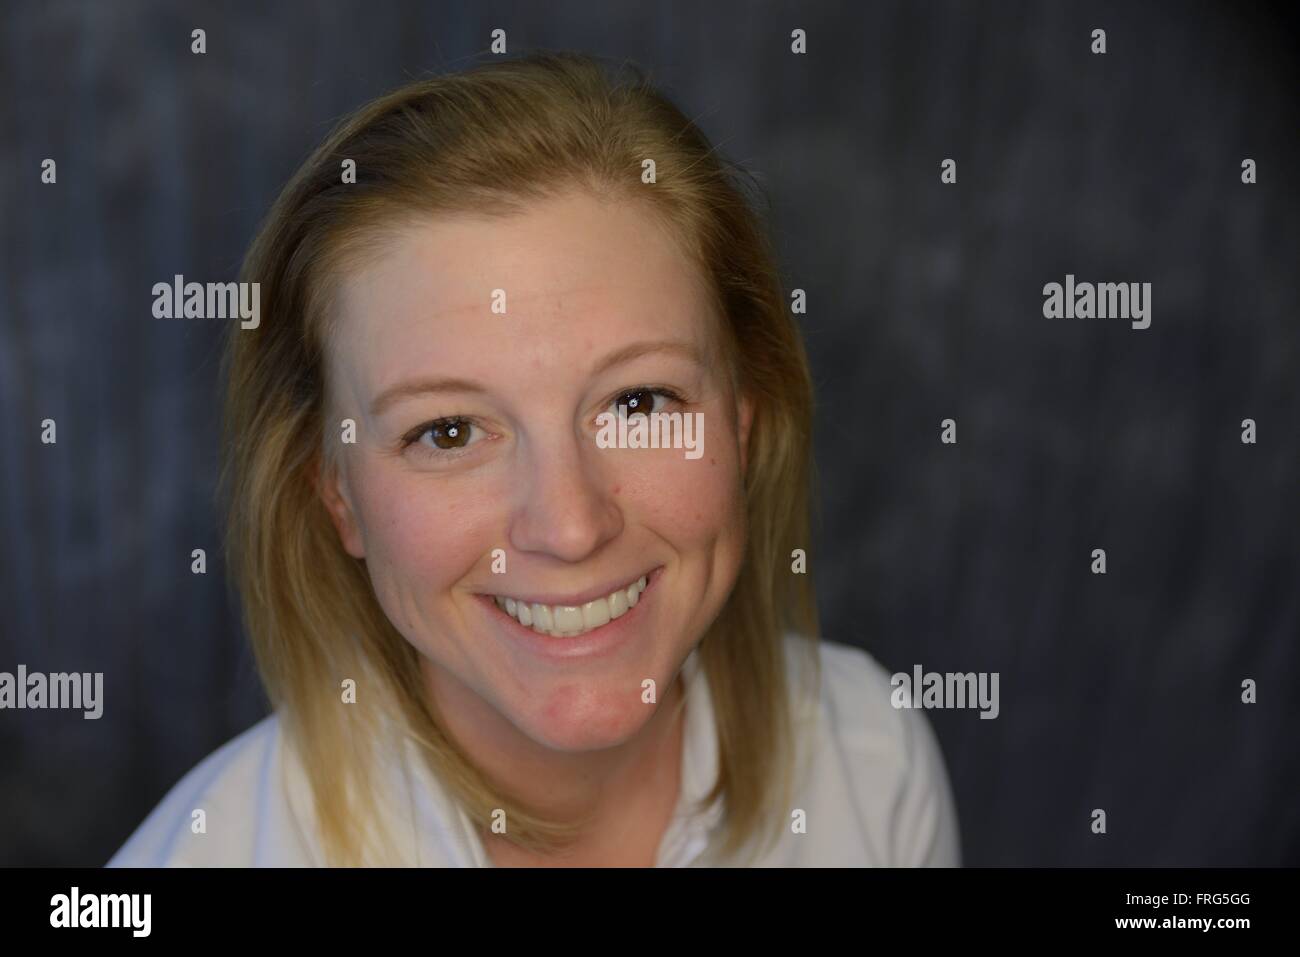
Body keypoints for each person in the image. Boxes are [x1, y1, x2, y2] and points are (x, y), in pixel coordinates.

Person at [108, 51, 960, 868]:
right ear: (336, 494)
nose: (570, 524)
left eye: (638, 402)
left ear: (741, 424)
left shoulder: (870, 758)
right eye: (447, 431)